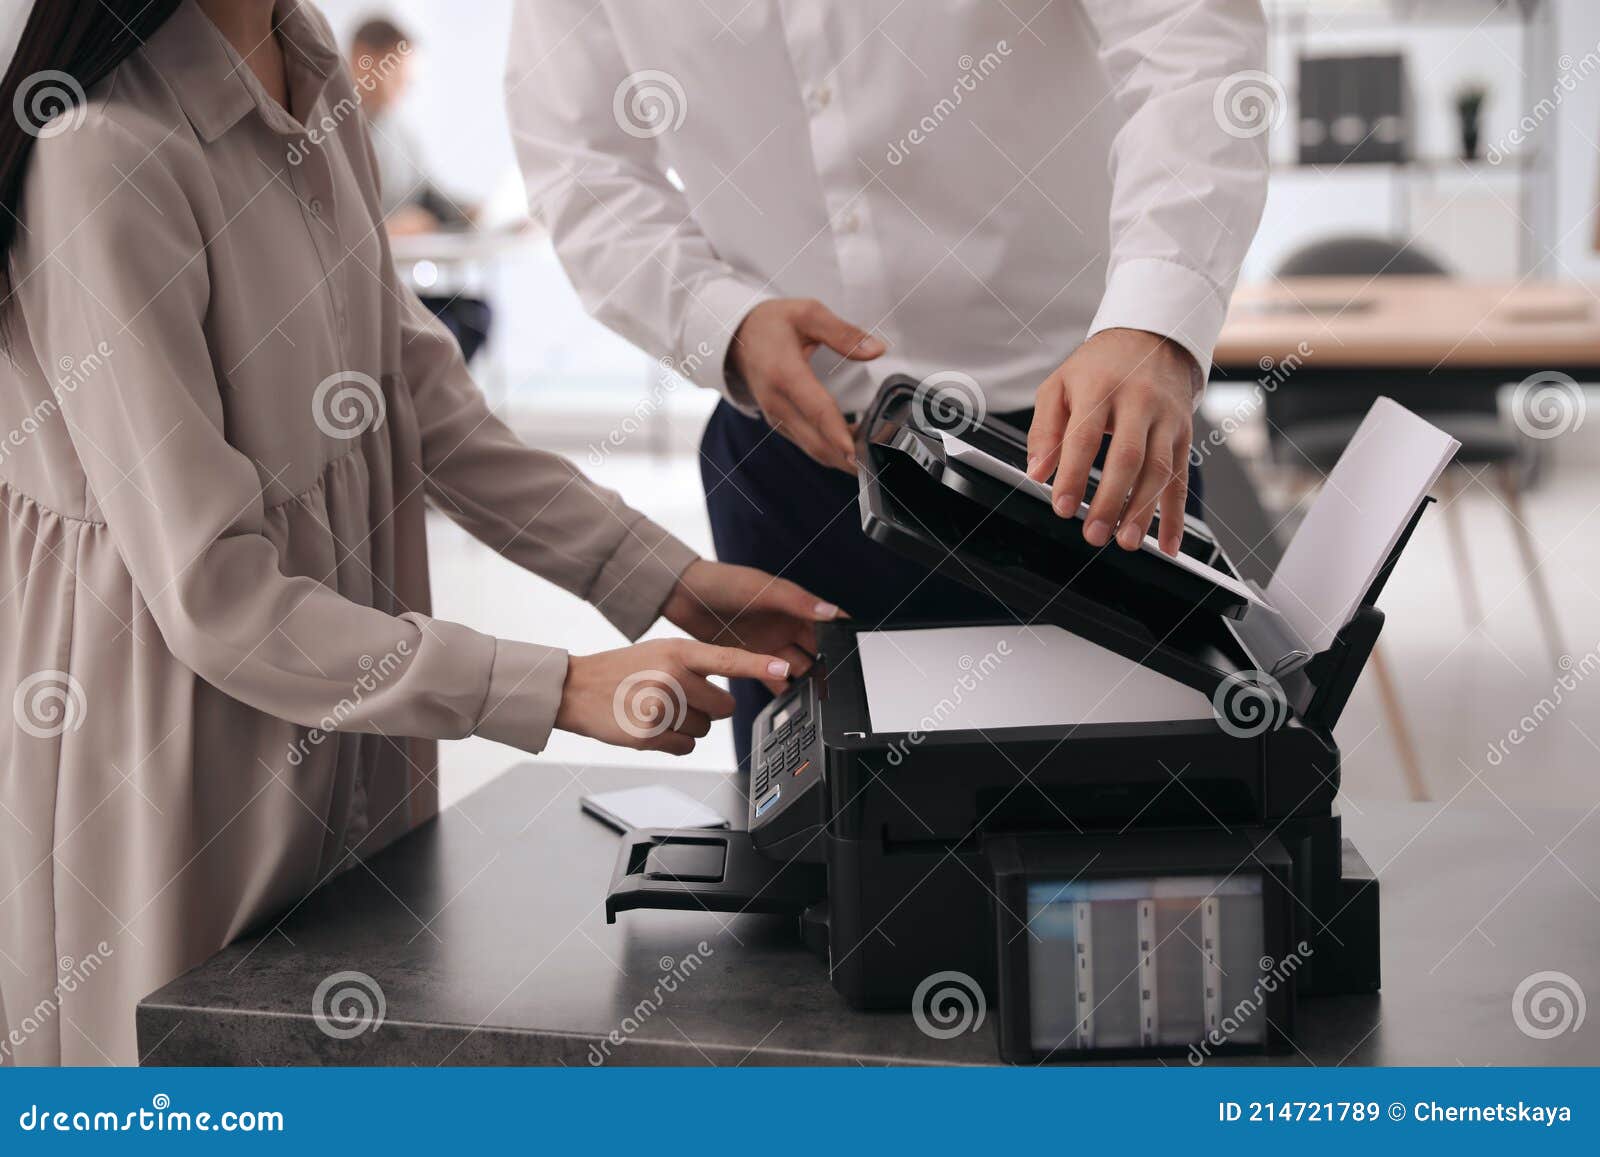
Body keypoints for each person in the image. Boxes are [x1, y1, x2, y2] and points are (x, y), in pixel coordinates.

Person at [0, 0, 836, 1066]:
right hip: (173, 748)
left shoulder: (305, 59)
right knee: (195, 1081)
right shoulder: (104, 151)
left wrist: (658, 573)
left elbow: (412, 391)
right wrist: (557, 684)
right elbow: (214, 595)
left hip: (351, 698)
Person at [505, 1, 1273, 768]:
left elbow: (1186, 38)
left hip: (1078, 451)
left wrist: (1156, 314)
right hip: (790, 462)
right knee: (819, 851)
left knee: (1121, 826)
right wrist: (720, 321)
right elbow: (580, 161)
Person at [347, 15, 492, 362]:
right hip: (356, 295)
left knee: (474, 316)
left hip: (396, 287)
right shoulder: (330, 131)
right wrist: (386, 229)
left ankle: (434, 413)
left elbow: (427, 192)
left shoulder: (398, 130)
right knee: (440, 334)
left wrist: (474, 212)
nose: (406, 83)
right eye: (398, 71)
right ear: (362, 60)